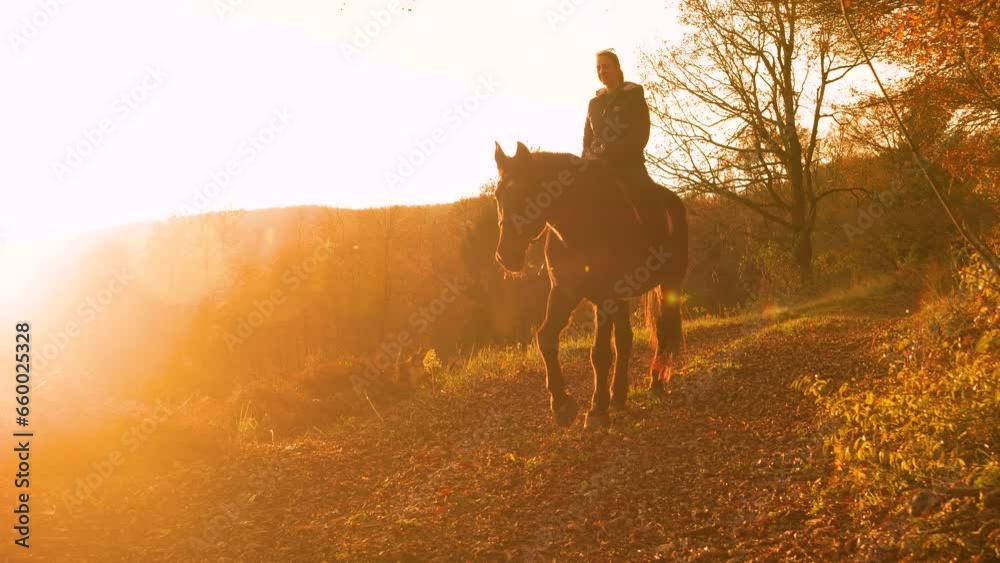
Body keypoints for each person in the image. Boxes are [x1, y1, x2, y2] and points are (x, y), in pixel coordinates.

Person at [582, 49, 664, 240]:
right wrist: (586, 159)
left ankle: (653, 243)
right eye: (598, 68)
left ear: (617, 68)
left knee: (648, 205)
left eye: (606, 67)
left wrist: (608, 151)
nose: (602, 71)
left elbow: (640, 137)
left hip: (630, 168)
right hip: (597, 169)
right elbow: (587, 139)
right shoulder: (593, 104)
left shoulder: (634, 98)